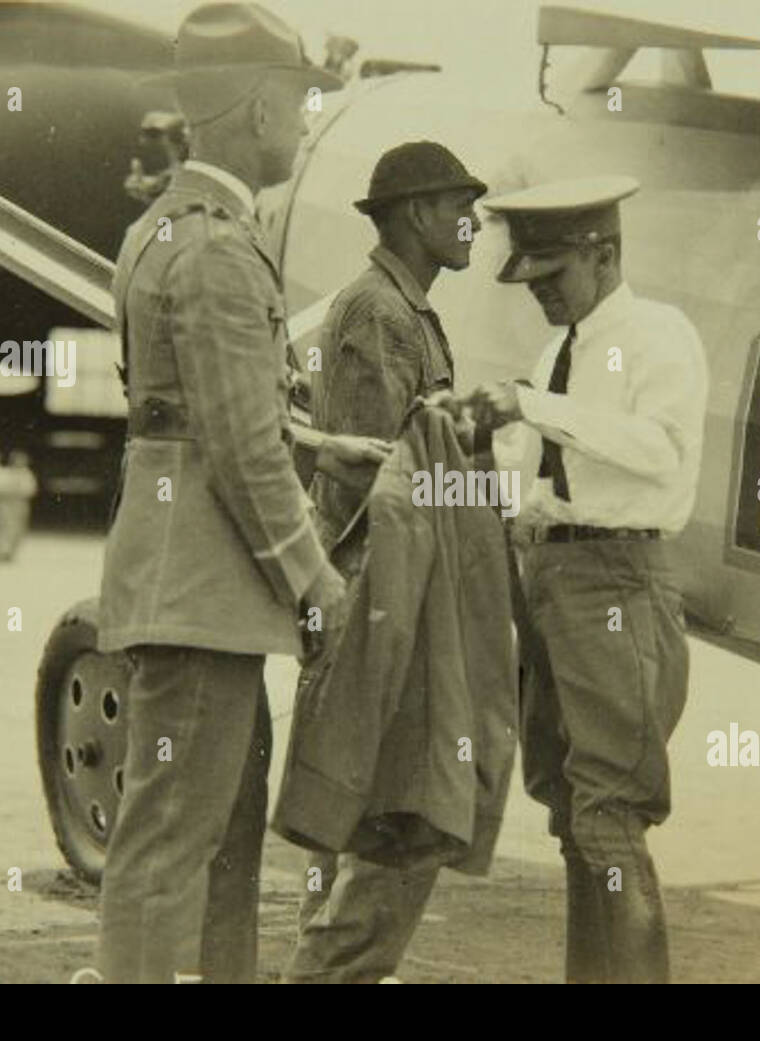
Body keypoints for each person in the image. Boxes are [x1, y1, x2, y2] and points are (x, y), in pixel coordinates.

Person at [93, 2, 385, 984]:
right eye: (300, 103)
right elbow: (241, 454)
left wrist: (318, 435)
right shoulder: (218, 247)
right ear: (259, 110)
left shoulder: (162, 227)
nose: (305, 124)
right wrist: (315, 580)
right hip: (205, 589)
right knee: (171, 841)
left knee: (183, 833)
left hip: (177, 572)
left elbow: (196, 413)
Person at [468, 175, 709, 983]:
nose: (539, 294)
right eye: (530, 280)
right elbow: (549, 478)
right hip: (557, 578)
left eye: (553, 277)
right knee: (572, 809)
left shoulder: (660, 336)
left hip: (617, 582)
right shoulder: (554, 354)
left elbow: (660, 452)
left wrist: (536, 407)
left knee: (610, 811)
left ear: (602, 254)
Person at [286, 141, 487, 984]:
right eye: (455, 206)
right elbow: (375, 477)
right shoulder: (379, 314)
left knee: (360, 817)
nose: (469, 220)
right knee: (397, 816)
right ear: (413, 215)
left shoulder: (402, 309)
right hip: (382, 591)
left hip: (390, 590)